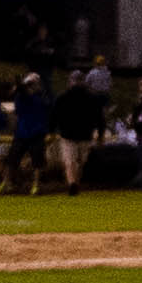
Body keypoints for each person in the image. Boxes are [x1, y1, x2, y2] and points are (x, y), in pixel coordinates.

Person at [48, 67, 104, 195]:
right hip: (74, 136)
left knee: (76, 162)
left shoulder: (67, 97)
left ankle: (74, 183)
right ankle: (73, 183)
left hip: (78, 135)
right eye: (76, 80)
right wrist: (100, 135)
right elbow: (54, 115)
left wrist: (51, 131)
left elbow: (53, 116)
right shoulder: (89, 98)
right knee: (73, 162)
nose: (77, 83)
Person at [11, 72, 49, 196]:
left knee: (37, 161)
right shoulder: (21, 97)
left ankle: (35, 185)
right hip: (22, 132)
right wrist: (21, 89)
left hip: (37, 132)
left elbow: (44, 106)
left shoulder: (42, 97)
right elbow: (20, 102)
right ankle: (9, 182)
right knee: (12, 159)